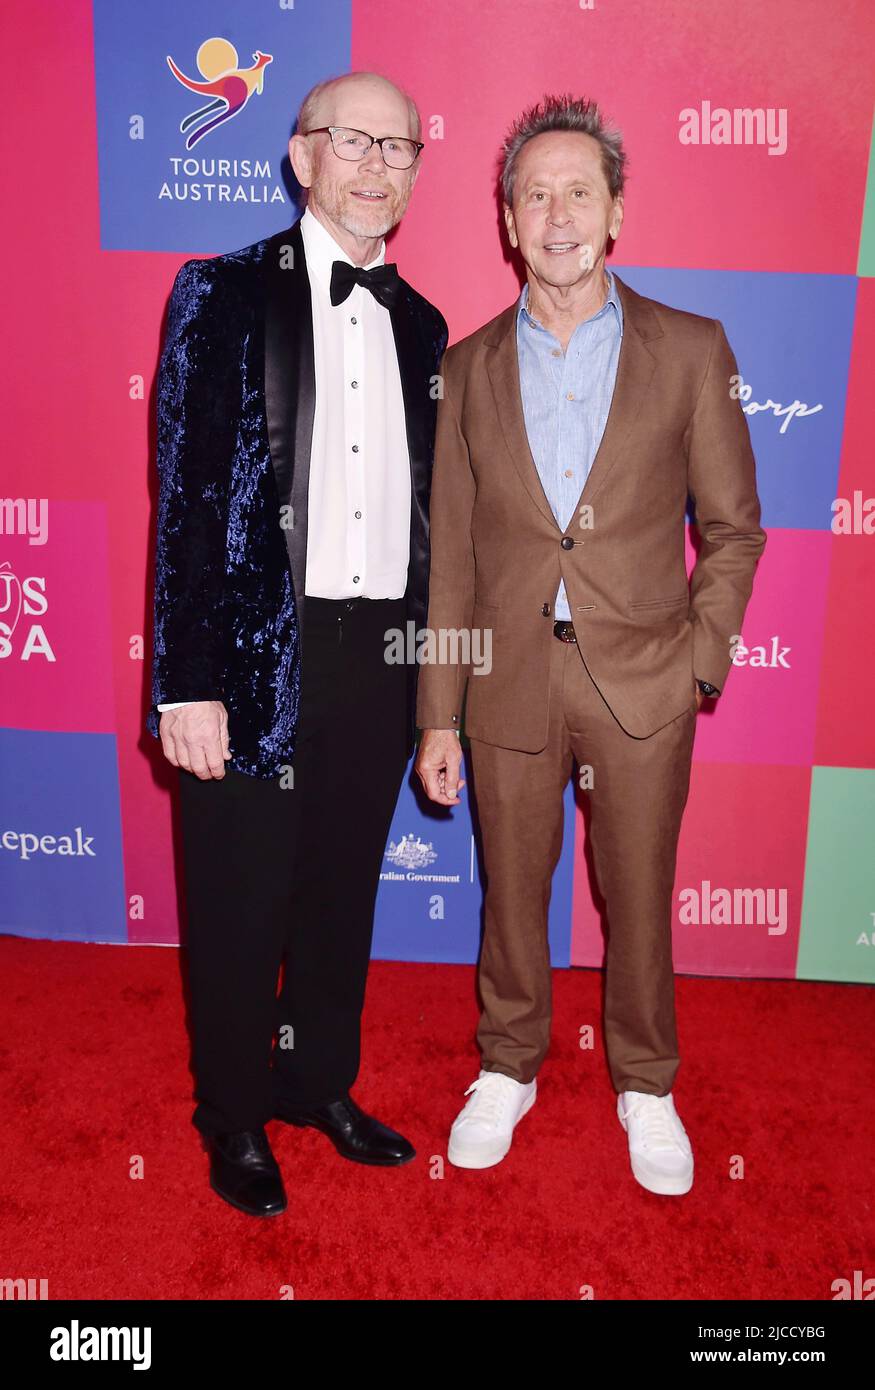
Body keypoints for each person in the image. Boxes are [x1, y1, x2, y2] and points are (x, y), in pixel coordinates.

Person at [415, 95, 766, 1196]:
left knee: (639, 889)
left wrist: (699, 658)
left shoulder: (690, 348)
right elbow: (455, 561)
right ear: (507, 222)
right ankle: (508, 1064)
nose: (556, 212)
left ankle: (644, 1080)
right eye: (534, 193)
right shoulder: (465, 366)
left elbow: (732, 528)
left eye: (578, 190)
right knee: (507, 888)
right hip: (506, 676)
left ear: (615, 211)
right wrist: (436, 712)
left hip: (644, 680)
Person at [148, 71, 447, 1217]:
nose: (377, 164)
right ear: (299, 153)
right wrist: (186, 681)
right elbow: (185, 496)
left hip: (376, 659)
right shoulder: (220, 293)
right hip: (253, 650)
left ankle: (316, 1080)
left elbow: (433, 533)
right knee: (235, 897)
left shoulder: (421, 324)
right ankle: (230, 1114)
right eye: (353, 139)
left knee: (337, 894)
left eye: (400, 147)